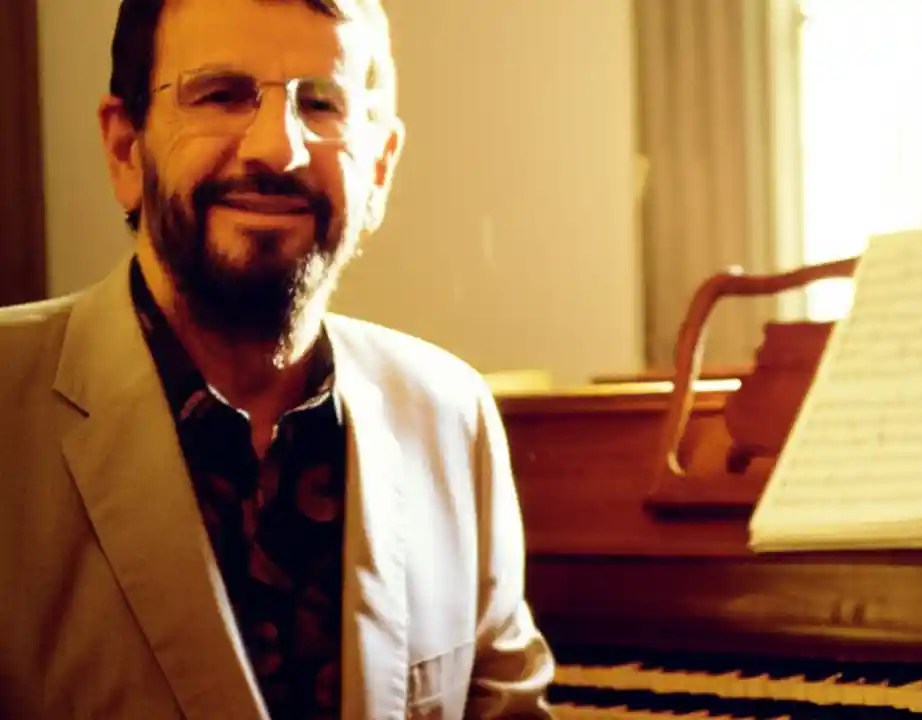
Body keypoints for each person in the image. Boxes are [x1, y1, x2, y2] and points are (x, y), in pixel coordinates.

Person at [0, 0, 555, 717]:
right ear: (124, 148)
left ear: (380, 165)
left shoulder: (450, 413)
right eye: (221, 95)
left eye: (322, 104)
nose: (277, 148)